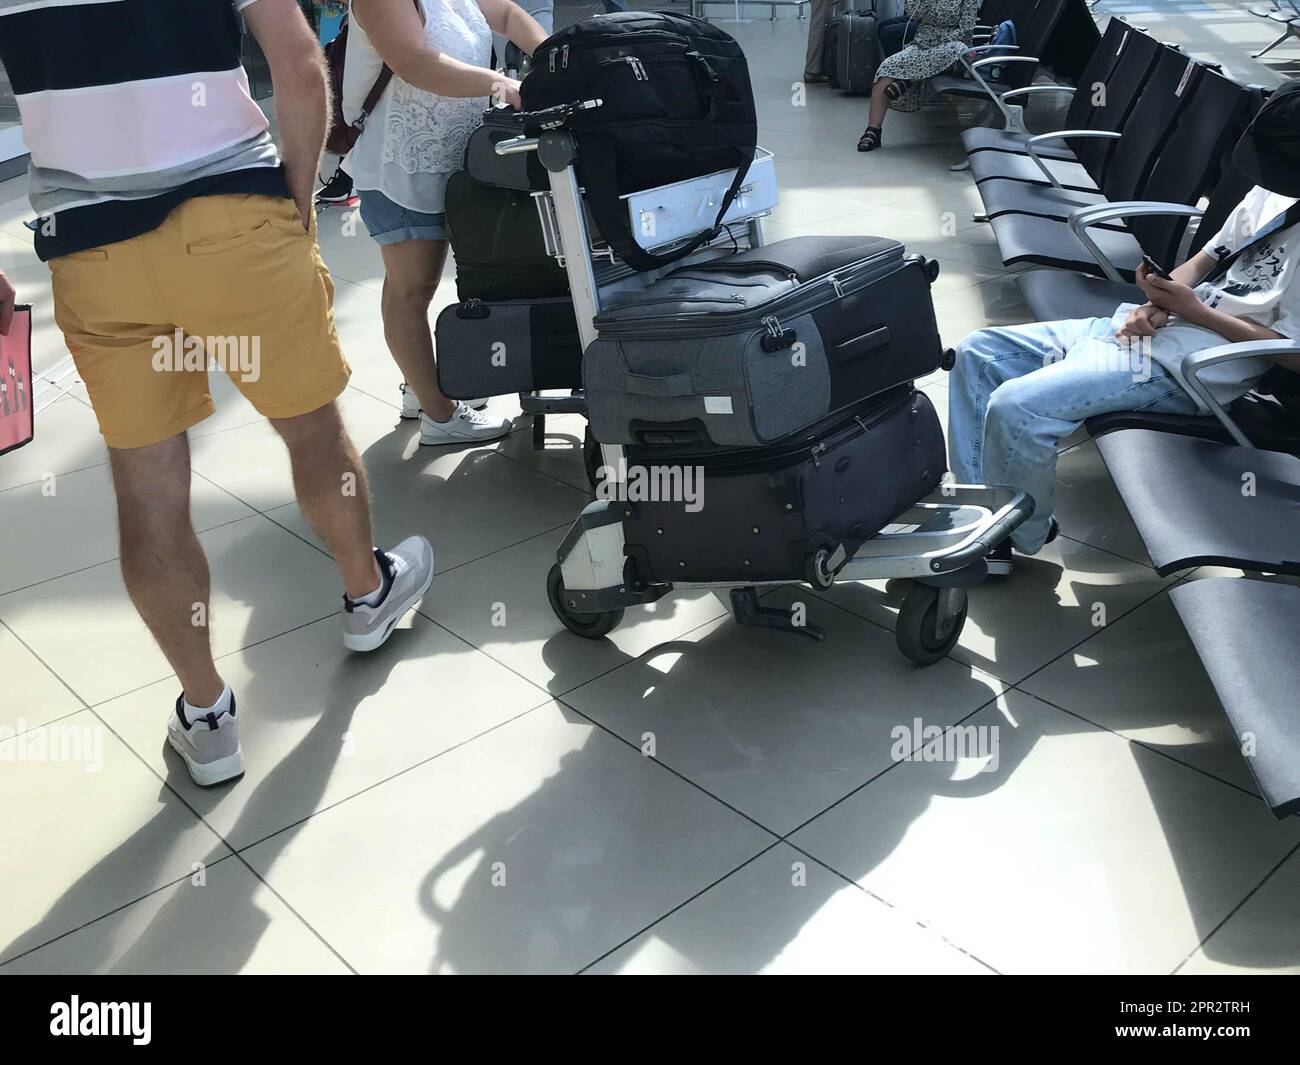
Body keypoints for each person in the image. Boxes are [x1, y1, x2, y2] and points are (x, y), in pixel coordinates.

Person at [0, 0, 435, 786]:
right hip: (234, 215)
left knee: (148, 484)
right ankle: (367, 594)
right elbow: (302, 71)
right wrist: (291, 211)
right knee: (309, 427)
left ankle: (206, 717)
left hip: (93, 250)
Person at [947, 80, 1300, 574]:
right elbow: (1205, 260)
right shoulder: (1272, 189)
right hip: (1157, 333)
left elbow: (1293, 353)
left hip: (1194, 369)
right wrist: (1158, 299)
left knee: (1019, 407)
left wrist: (1193, 312)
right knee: (978, 351)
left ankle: (1006, 537)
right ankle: (979, 513)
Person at [344, 0, 547, 444]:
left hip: (458, 159)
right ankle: (439, 415)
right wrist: (501, 84)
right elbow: (415, 61)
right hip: (404, 161)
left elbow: (509, 15)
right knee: (411, 287)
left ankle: (422, 387)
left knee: (430, 282)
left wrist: (553, 55)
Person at [857, 0, 979, 152]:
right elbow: (914, 14)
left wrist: (939, 40)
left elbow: (966, 30)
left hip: (951, 46)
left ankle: (909, 80)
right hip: (922, 44)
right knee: (887, 67)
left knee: (957, 49)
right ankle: (873, 130)